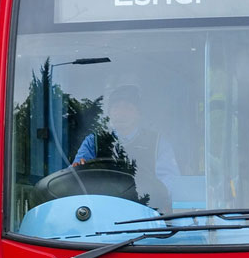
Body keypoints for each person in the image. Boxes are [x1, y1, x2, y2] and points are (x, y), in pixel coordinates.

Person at [71, 84, 179, 212]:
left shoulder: (157, 143)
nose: (121, 113)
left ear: (139, 113)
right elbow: (76, 175)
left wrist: (157, 198)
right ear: (109, 113)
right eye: (116, 108)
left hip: (146, 211)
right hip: (101, 211)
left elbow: (169, 183)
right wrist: (79, 169)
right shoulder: (93, 142)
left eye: (127, 108)